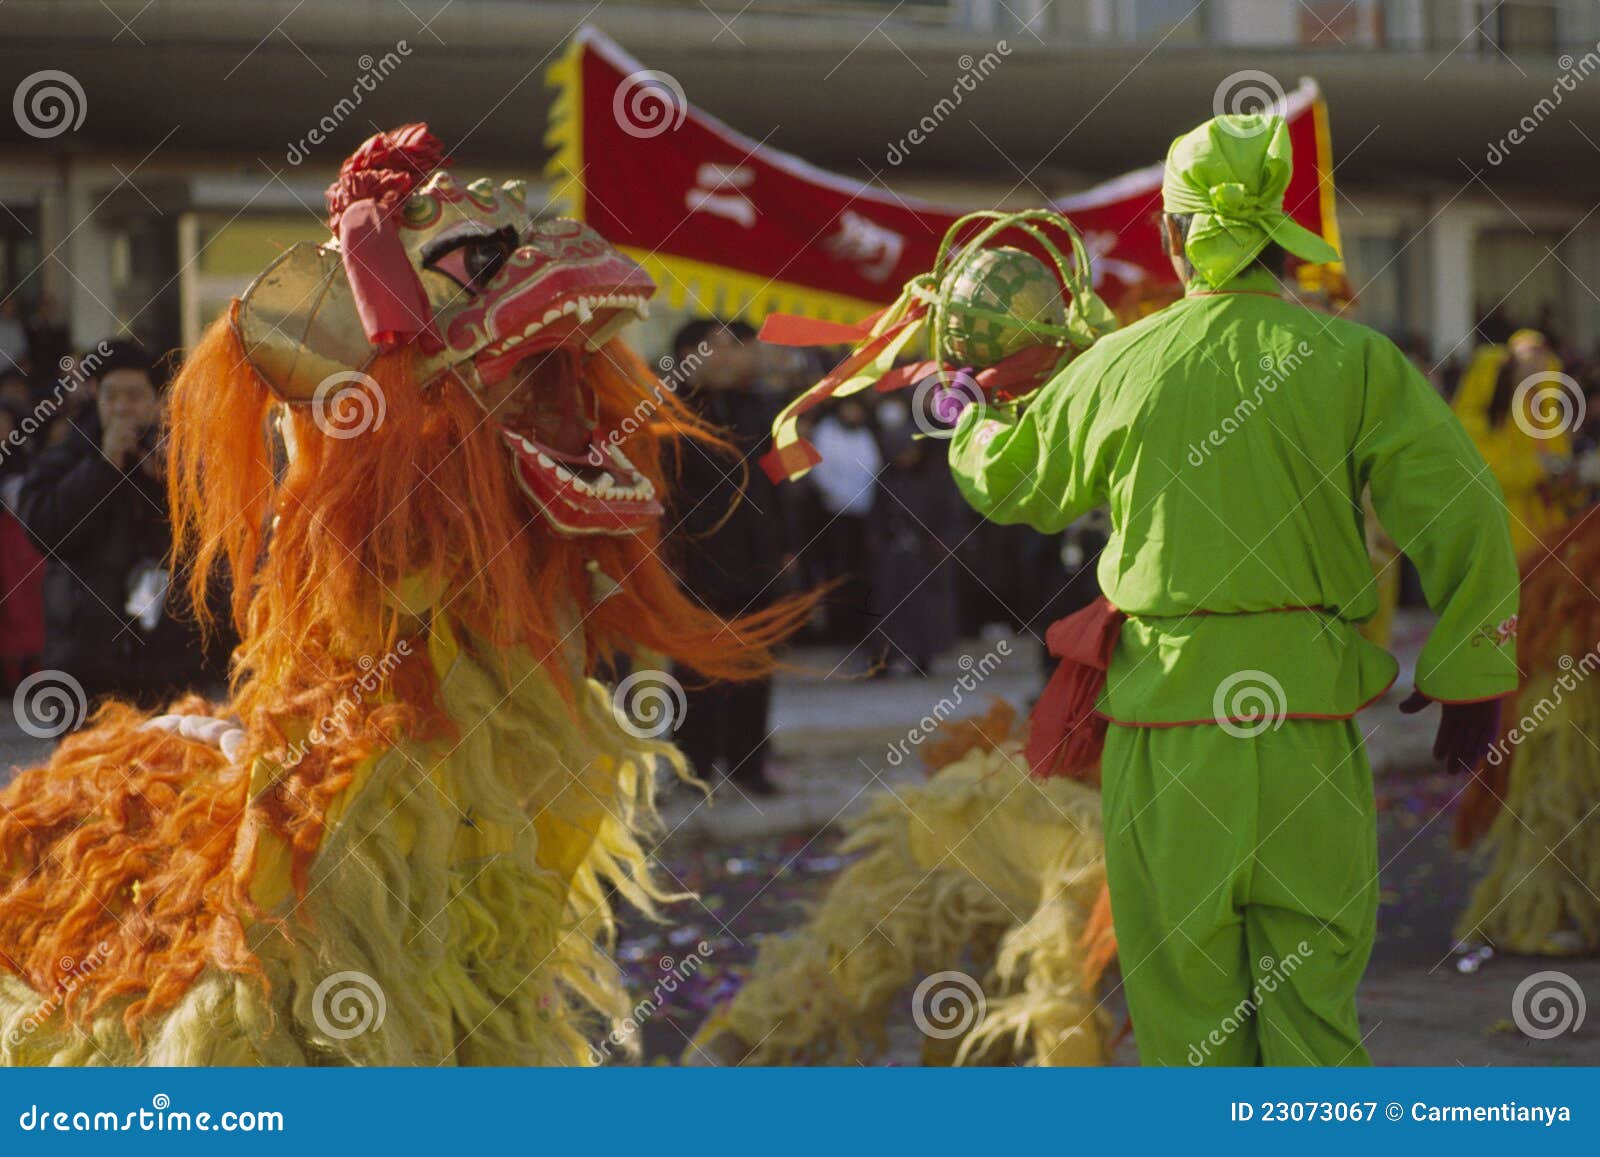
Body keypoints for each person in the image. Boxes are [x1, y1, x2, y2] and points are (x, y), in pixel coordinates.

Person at [942, 113, 1519, 1066]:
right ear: (1279, 235)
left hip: (1170, 734)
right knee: (1315, 1026)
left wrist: (969, 406)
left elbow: (1015, 483)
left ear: (1175, 235)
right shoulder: (1357, 360)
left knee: (1188, 1028)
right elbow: (1465, 511)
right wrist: (1473, 667)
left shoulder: (1122, 361)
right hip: (1307, 730)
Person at [16, 341, 221, 708]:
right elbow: (44, 530)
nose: (122, 407)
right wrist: (104, 466)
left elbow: (216, 537)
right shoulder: (67, 455)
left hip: (170, 667)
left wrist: (172, 483)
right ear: (96, 397)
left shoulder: (180, 456)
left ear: (157, 401)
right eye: (111, 396)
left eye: (135, 396)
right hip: (87, 670)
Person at [666, 318, 790, 796]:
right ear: (690, 352)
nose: (742, 357)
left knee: (755, 663)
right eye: (727, 347)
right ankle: (693, 766)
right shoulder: (670, 411)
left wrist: (788, 546)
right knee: (698, 669)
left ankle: (749, 763)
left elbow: (782, 480)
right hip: (698, 564)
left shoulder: (760, 408)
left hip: (759, 561)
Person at [866, 419, 963, 675]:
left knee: (925, 610)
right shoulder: (887, 478)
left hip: (924, 556)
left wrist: (940, 543)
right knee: (889, 608)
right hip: (893, 554)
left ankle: (924, 657)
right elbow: (877, 515)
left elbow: (948, 515)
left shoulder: (935, 479)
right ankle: (884, 659)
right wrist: (878, 541)